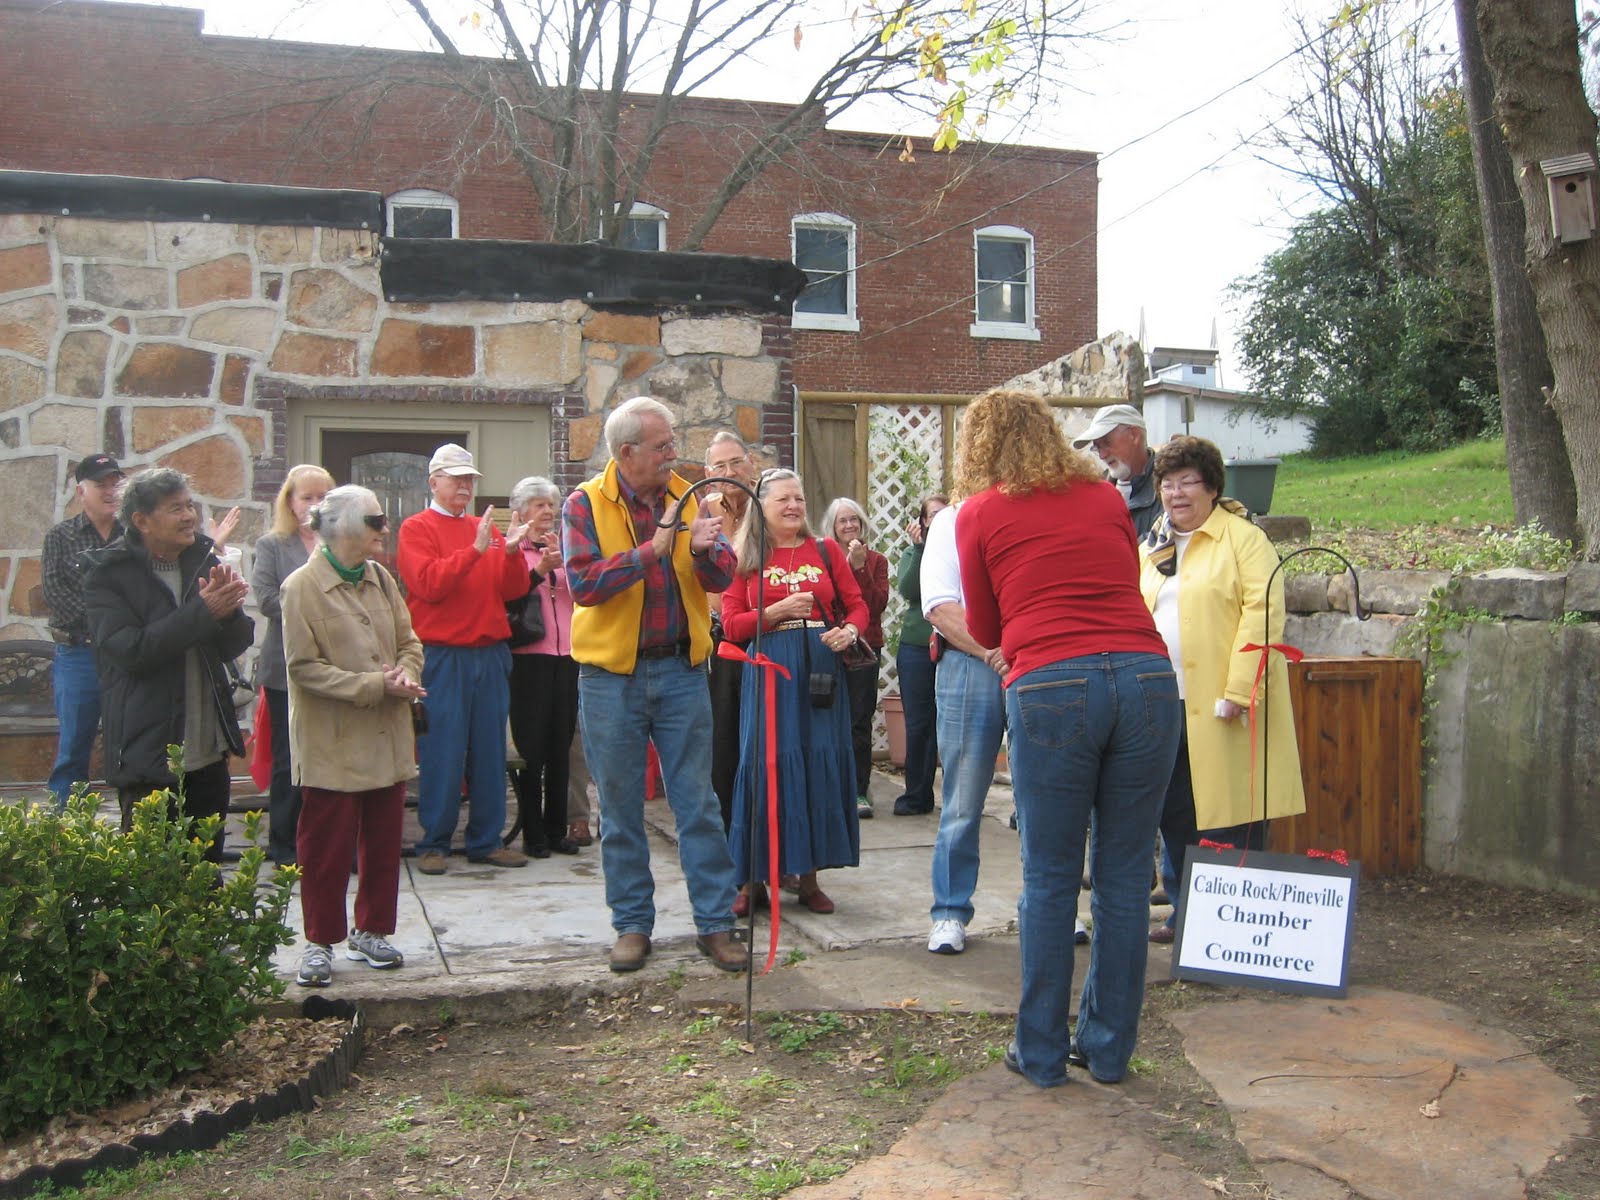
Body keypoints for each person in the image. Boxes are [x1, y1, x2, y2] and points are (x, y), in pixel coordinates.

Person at [955, 388, 1182, 1090]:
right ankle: (1108, 1050)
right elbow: (1122, 584)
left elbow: (988, 631)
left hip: (1053, 681)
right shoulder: (1106, 500)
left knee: (1051, 877)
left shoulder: (981, 511)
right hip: (1147, 678)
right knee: (1122, 879)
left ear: (978, 447)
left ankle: (1042, 1052)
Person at [562, 396, 748, 974]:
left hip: (681, 671)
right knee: (618, 807)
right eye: (663, 446)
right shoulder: (584, 504)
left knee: (697, 803)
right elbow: (584, 584)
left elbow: (722, 574)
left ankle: (716, 924)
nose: (674, 455)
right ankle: (632, 925)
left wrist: (703, 551)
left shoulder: (689, 499)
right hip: (609, 678)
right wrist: (653, 551)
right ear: (627, 452)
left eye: (672, 443)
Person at [1139, 435, 1306, 943]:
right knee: (1173, 808)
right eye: (1167, 484)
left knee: (1229, 814)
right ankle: (1184, 908)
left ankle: (1228, 923)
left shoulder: (1243, 539)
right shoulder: (1153, 545)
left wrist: (1238, 691)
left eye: (1187, 482)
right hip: (1164, 703)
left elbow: (1263, 615)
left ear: (1211, 486)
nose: (1175, 493)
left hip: (1222, 705)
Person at [281, 485, 426, 987]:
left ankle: (372, 931)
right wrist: (372, 685)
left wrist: (405, 674)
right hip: (332, 740)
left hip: (385, 733)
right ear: (343, 526)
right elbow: (302, 669)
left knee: (384, 841)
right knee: (325, 847)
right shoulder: (301, 586)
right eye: (375, 520)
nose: (384, 529)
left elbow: (409, 640)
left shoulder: (381, 578)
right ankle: (319, 941)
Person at [83, 468, 254, 862]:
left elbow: (233, 644)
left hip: (208, 751)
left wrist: (228, 615)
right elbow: (131, 652)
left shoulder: (203, 559)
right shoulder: (109, 574)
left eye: (190, 505)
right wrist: (205, 612)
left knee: (204, 877)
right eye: (175, 508)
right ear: (141, 520)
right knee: (151, 880)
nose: (189, 516)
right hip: (149, 753)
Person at [720, 469, 868, 915]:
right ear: (761, 506)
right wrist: (775, 610)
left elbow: (857, 604)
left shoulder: (824, 550)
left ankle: (808, 878)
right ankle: (752, 881)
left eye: (799, 499)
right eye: (783, 499)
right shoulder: (743, 556)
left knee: (816, 760)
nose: (793, 507)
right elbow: (730, 625)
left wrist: (848, 630)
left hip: (821, 668)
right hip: (769, 668)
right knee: (766, 764)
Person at [397, 443, 531, 874]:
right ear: (433, 481)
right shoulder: (416, 528)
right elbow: (428, 585)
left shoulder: (486, 528)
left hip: (489, 654)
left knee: (490, 751)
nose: (464, 485)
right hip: (442, 657)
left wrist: (510, 554)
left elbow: (511, 591)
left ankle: (486, 840)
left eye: (469, 478)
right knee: (442, 750)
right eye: (455, 478)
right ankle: (434, 843)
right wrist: (474, 551)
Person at [920, 498, 1009, 955]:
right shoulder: (951, 520)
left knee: (1044, 799)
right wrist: (992, 651)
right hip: (969, 665)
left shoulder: (1034, 509)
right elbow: (939, 605)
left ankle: (1051, 907)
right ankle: (950, 912)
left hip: (1032, 660)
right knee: (962, 799)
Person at [251, 463, 334, 865]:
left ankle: (325, 841)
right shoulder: (273, 545)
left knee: (329, 759)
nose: (315, 504)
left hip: (334, 668)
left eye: (323, 497)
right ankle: (284, 845)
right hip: (286, 669)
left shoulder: (342, 543)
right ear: (290, 500)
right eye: (307, 496)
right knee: (289, 760)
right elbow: (267, 600)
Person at [42, 453, 125, 807]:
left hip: (128, 655)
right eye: (100, 484)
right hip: (79, 653)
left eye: (115, 483)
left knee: (131, 743)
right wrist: (111, 623)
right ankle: (64, 830)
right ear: (81, 491)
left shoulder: (135, 534)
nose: (110, 491)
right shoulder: (60, 537)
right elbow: (57, 595)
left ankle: (139, 829)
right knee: (74, 745)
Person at [505, 476, 580, 859]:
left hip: (566, 656)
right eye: (538, 505)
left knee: (560, 746)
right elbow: (507, 591)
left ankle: (557, 829)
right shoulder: (510, 550)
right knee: (532, 748)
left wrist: (562, 563)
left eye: (551, 505)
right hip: (528, 659)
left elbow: (581, 593)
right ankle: (533, 834)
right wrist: (538, 569)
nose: (547, 512)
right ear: (519, 512)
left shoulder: (563, 548)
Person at [703, 431, 760, 830]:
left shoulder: (769, 503)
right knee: (724, 739)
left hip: (767, 631)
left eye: (735, 462)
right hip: (720, 637)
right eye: (719, 466)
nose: (729, 472)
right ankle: (729, 834)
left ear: (750, 462)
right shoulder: (704, 509)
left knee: (765, 740)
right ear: (709, 472)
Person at [820, 497, 888, 819]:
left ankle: (860, 790)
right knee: (829, 719)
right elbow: (829, 601)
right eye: (842, 521)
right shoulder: (823, 559)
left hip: (864, 651)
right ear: (832, 528)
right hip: (829, 645)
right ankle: (832, 788)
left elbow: (874, 606)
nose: (849, 526)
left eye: (854, 520)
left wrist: (860, 568)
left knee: (859, 722)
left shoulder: (876, 561)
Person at [890, 494, 946, 817]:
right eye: (931, 515)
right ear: (922, 521)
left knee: (948, 723)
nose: (936, 519)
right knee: (919, 722)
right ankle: (918, 793)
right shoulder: (913, 552)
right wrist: (923, 548)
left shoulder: (959, 550)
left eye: (942, 514)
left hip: (953, 643)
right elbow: (910, 590)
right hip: (916, 645)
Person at [1071, 403, 1162, 538]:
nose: (1102, 455)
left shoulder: (1169, 487)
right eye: (1097, 448)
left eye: (1107, 443)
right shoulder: (1096, 491)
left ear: (1134, 435)